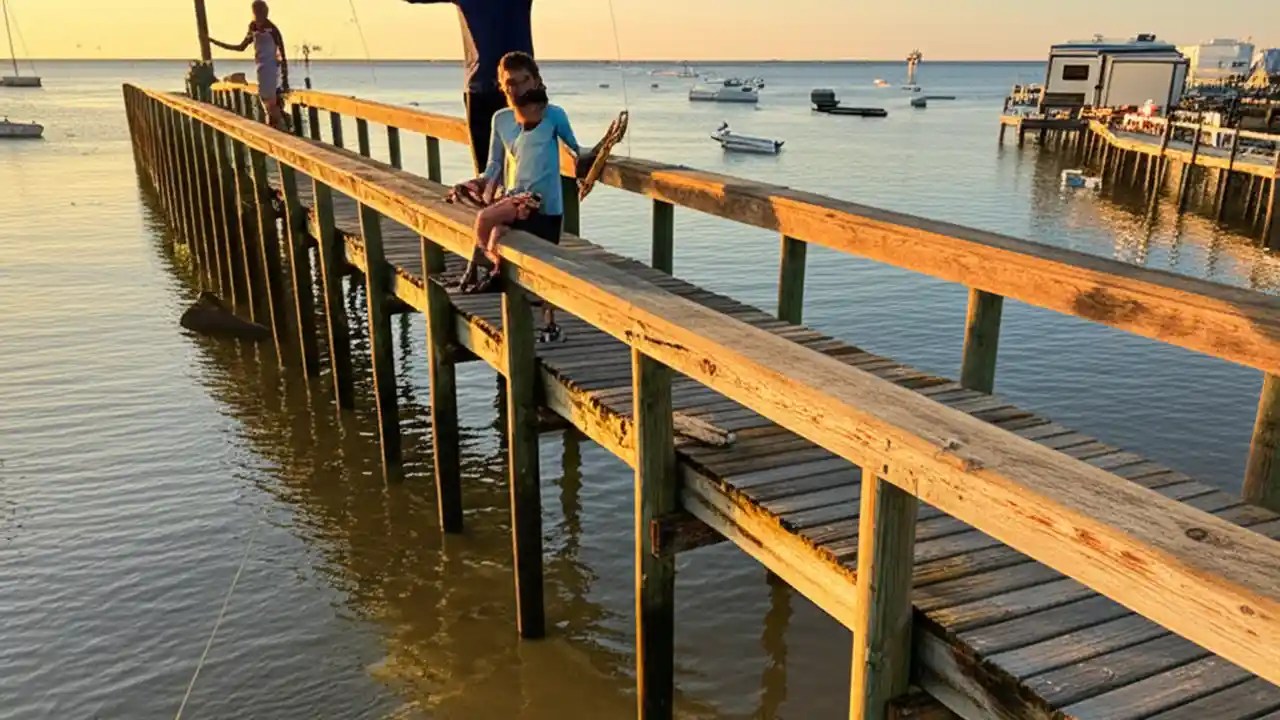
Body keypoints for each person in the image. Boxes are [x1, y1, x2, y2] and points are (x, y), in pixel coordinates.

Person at [450, 51, 580, 342]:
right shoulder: (501, 119)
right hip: (513, 201)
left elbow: (575, 150)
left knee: (534, 261)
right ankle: (536, 322)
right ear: (501, 84)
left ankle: (480, 269)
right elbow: (494, 165)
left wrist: (590, 161)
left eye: (524, 81)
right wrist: (477, 182)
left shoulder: (553, 115)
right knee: (497, 235)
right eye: (511, 82)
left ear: (536, 80)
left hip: (545, 208)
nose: (518, 88)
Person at [403, 0, 534, 174]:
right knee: (527, 166)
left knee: (490, 170)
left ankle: (492, 196)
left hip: (487, 85)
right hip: (511, 84)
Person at [210, 1, 289, 129]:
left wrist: (285, 79)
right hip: (260, 68)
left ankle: (282, 128)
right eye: (257, 12)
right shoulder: (253, 27)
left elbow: (283, 55)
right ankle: (280, 126)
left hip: (272, 68)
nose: (259, 15)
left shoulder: (273, 29)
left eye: (262, 12)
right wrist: (216, 43)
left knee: (270, 103)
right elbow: (241, 47)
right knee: (266, 102)